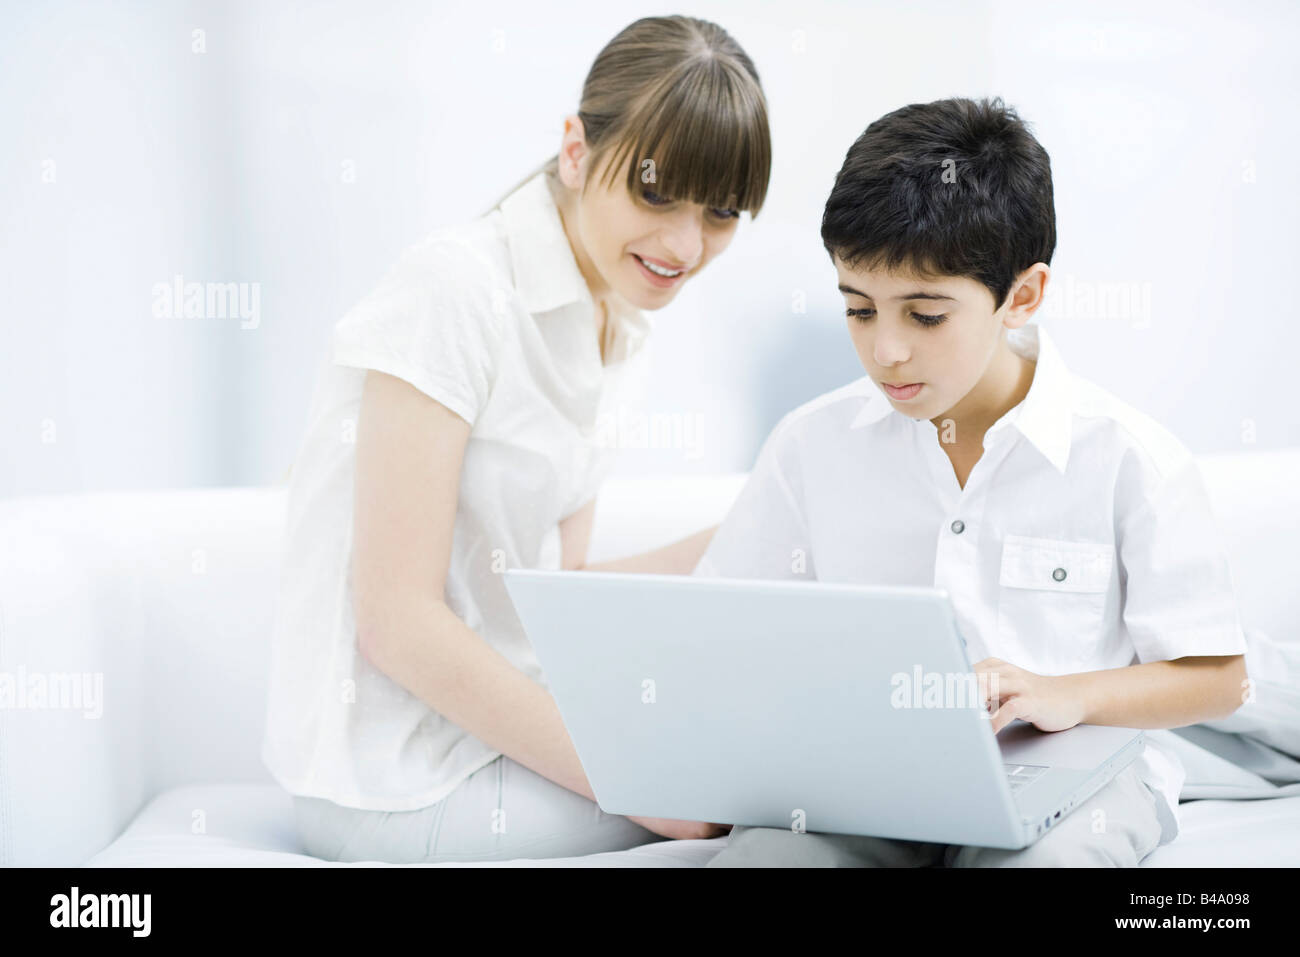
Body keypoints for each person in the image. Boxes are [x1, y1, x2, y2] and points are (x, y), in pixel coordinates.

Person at [261, 15, 772, 863]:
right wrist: (638, 774)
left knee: (776, 779)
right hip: (389, 779)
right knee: (763, 804)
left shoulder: (619, 321)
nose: (686, 245)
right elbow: (395, 623)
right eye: (655, 193)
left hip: (487, 739)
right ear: (576, 150)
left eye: (719, 212)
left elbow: (548, 596)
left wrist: (746, 540)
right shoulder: (453, 291)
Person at [699, 96, 1249, 867]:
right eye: (858, 310)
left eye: (925, 316)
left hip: (1077, 778)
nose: (885, 350)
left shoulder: (1129, 458)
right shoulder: (810, 444)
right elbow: (720, 630)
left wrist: (1071, 692)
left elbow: (1219, 680)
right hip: (868, 774)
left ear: (1021, 295)